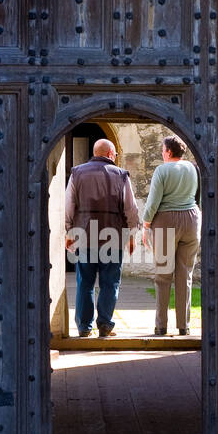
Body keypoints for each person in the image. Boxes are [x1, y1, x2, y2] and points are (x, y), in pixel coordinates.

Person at [64, 137, 139, 337]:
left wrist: (68, 230)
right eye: (115, 154)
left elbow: (68, 205)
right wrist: (132, 234)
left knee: (85, 282)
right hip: (112, 237)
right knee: (110, 283)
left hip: (85, 235)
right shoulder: (121, 175)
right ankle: (105, 325)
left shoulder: (76, 173)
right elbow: (130, 208)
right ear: (109, 154)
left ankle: (84, 327)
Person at [142, 136, 201, 336]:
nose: (161, 153)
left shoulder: (162, 170)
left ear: (168, 151)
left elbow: (153, 201)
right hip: (192, 220)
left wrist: (146, 224)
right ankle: (184, 326)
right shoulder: (194, 168)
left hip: (166, 220)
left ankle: (161, 325)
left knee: (163, 275)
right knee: (185, 275)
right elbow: (198, 195)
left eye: (162, 150)